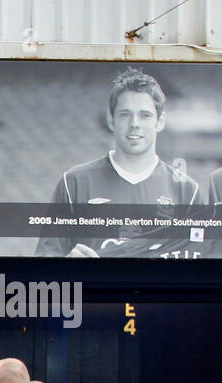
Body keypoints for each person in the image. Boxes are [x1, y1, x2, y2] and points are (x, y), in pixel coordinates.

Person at [35, 67, 198, 258]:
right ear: (111, 120)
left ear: (160, 121)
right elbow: (45, 263)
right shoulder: (75, 182)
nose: (134, 123)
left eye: (145, 115)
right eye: (125, 114)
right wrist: (68, 267)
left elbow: (201, 268)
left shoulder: (186, 190)